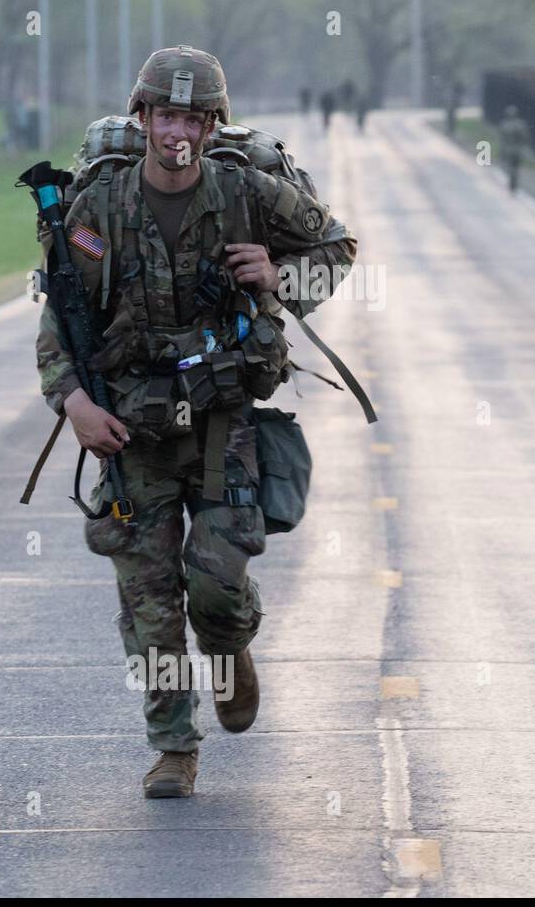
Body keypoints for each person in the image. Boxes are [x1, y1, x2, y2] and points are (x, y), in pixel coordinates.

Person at [34, 46, 358, 798]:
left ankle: (229, 641)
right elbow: (63, 319)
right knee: (149, 607)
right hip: (130, 432)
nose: (178, 130)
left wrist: (281, 277)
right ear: (142, 118)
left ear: (214, 127)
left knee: (213, 585)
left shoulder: (249, 193)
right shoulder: (98, 210)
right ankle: (173, 745)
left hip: (220, 424)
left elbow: (337, 245)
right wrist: (74, 403)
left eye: (195, 116)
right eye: (166, 114)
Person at [499, 105, 530, 195]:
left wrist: (502, 150)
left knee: (511, 168)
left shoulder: (505, 125)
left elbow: (502, 139)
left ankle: (512, 184)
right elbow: (525, 137)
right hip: (518, 150)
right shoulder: (520, 124)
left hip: (509, 150)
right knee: (515, 168)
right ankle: (514, 184)